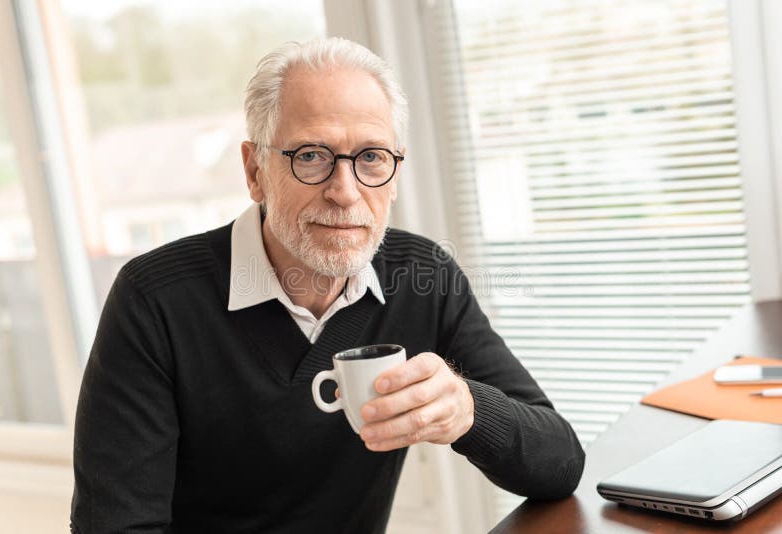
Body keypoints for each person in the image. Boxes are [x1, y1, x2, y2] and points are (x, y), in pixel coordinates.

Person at [70, 37, 585, 534]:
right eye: (311, 156)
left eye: (372, 158)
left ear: (395, 171)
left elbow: (560, 464)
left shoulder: (423, 276)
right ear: (255, 172)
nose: (345, 192)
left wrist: (468, 410)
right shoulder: (154, 299)